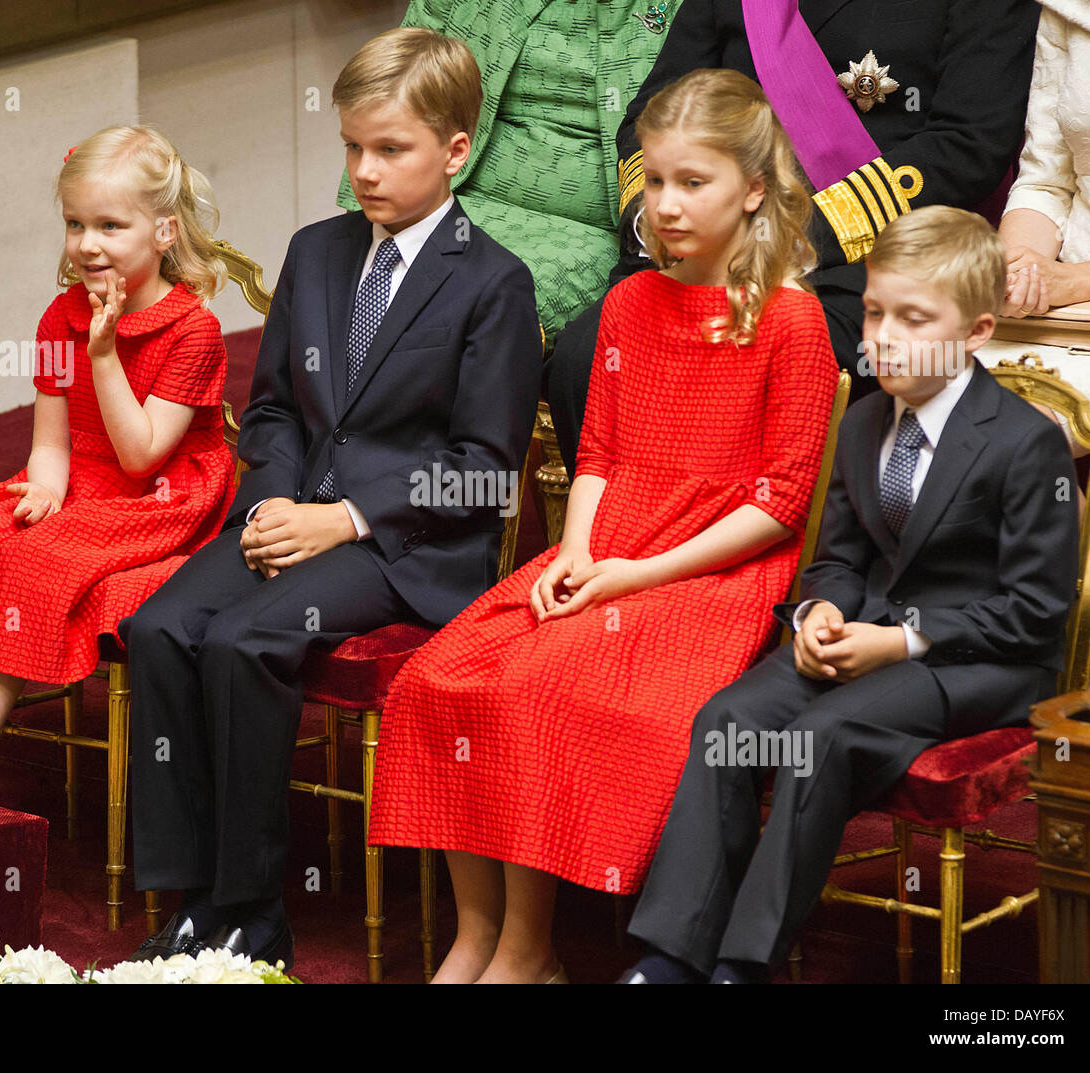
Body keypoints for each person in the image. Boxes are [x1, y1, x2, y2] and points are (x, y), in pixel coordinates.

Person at [368, 69, 839, 984]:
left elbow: (778, 505)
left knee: (545, 686)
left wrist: (631, 574)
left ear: (752, 190)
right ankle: (477, 931)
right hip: (609, 541)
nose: (662, 206)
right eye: (653, 182)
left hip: (711, 572)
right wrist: (580, 549)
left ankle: (527, 950)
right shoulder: (627, 303)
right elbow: (598, 457)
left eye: (691, 183)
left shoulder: (793, 321)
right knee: (448, 676)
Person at [121, 28, 541, 970]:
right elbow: (271, 409)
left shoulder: (492, 284)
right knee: (159, 628)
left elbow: (484, 464)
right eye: (354, 147)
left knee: (243, 641)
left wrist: (345, 519)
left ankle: (253, 908)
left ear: (456, 151)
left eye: (390, 150)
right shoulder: (316, 252)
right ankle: (194, 899)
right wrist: (271, 504)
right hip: (290, 517)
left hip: (408, 547)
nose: (365, 170)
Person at [621, 206, 1080, 985]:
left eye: (913, 318)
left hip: (981, 660)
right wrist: (819, 611)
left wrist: (902, 640)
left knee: (824, 734)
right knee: (726, 718)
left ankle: (743, 961)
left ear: (976, 332)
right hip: (861, 640)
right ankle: (672, 950)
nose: (884, 336)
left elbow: (1037, 609)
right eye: (873, 311)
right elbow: (836, 560)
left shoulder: (1023, 442)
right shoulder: (866, 421)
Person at [0, 126, 234, 814]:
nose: (87, 243)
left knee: (37, 561)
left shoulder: (192, 330)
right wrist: (46, 489)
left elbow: (142, 453)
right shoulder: (60, 316)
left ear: (163, 231)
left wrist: (103, 355)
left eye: (110, 225)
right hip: (81, 477)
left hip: (159, 495)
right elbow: (52, 443)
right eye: (74, 224)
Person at [546, 0, 1040, 474]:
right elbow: (654, 112)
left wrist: (778, 235)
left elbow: (969, 145)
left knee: (749, 363)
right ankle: (615, 545)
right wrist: (668, 223)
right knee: (583, 359)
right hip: (704, 241)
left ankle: (730, 557)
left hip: (860, 259)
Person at [336, 0, 667, 339]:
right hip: (456, 191)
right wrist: (362, 212)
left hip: (595, 225)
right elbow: (393, 85)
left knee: (457, 304)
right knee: (336, 283)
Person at [975, 0, 1090, 421]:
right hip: (1068, 316)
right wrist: (1016, 270)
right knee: (924, 386)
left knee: (1002, 429)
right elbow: (1045, 180)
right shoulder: (1071, 6)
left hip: (1084, 291)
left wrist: (1080, 280)